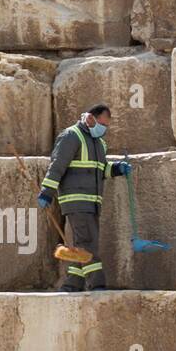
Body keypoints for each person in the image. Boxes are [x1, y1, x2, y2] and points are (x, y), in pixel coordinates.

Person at [36, 104, 132, 291]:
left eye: (106, 126)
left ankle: (73, 283)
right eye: (102, 124)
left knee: (83, 242)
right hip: (75, 200)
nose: (103, 129)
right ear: (90, 118)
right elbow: (57, 166)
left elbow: (100, 170)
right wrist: (47, 192)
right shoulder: (71, 136)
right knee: (88, 242)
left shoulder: (99, 143)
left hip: (93, 201)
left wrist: (117, 169)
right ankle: (96, 283)